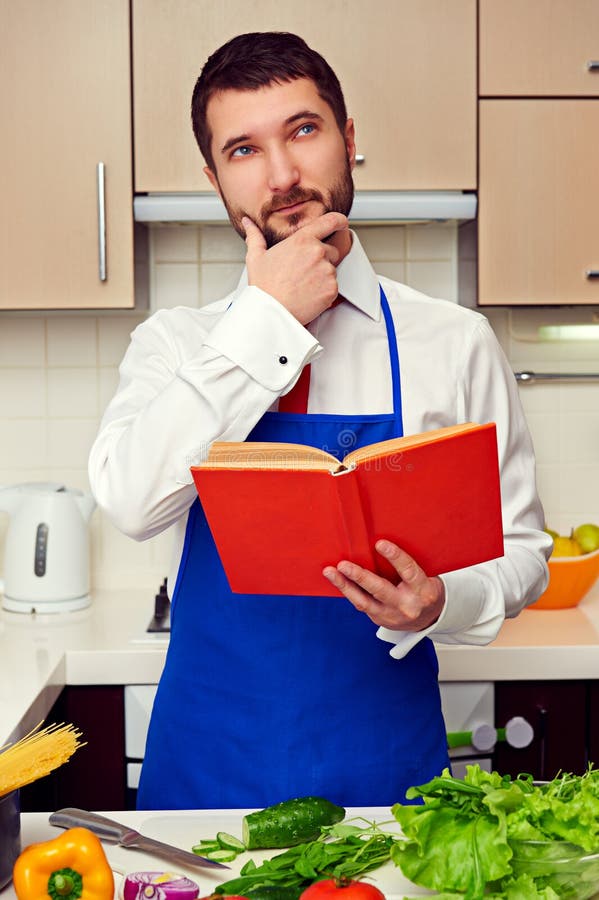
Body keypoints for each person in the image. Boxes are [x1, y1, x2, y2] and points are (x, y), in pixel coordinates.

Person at [88, 31, 551, 810]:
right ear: (215, 178)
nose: (280, 175)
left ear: (348, 139)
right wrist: (267, 322)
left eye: (303, 130)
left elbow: (523, 553)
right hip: (205, 777)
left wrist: (443, 602)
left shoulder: (454, 340)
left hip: (387, 777)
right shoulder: (176, 345)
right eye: (243, 149)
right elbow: (131, 502)